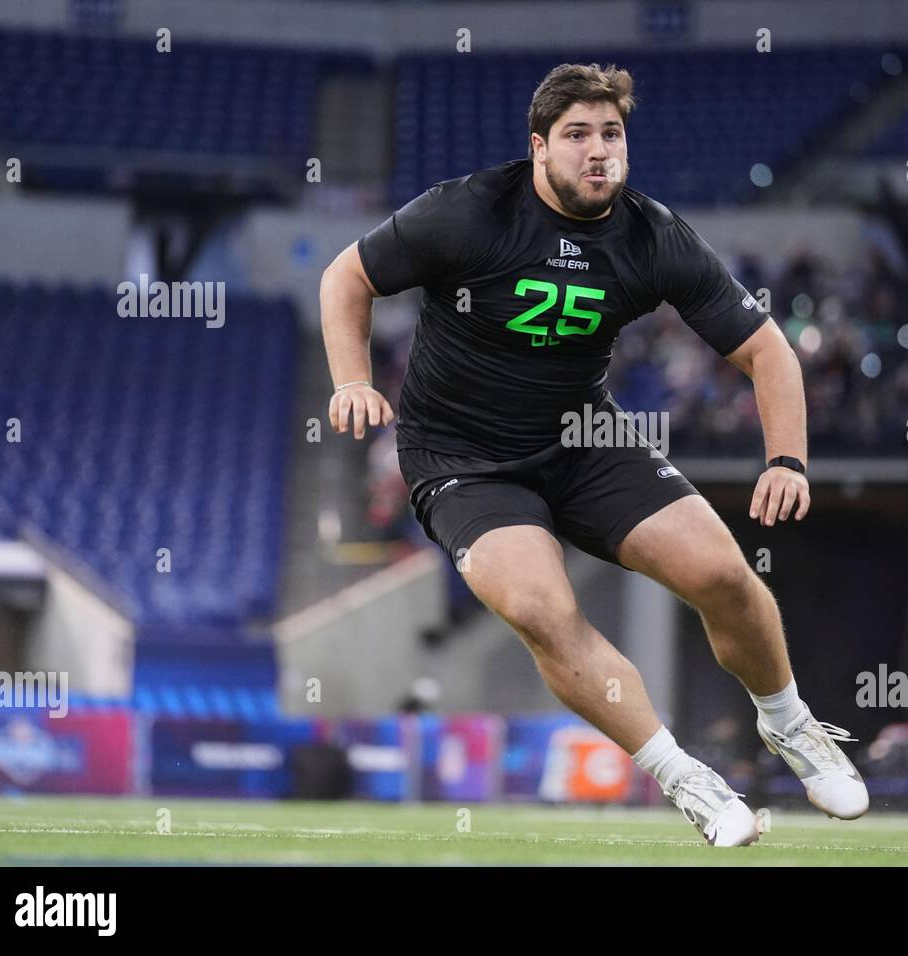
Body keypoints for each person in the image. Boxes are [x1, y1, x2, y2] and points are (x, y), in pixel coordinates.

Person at [318, 62, 867, 846]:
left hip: (582, 438)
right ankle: (684, 775)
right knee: (544, 609)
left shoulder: (652, 235)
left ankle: (791, 726)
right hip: (462, 459)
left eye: (611, 134)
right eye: (577, 135)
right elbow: (346, 277)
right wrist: (350, 381)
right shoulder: (468, 211)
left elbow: (768, 352)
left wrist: (787, 461)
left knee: (721, 574)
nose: (598, 150)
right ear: (538, 147)